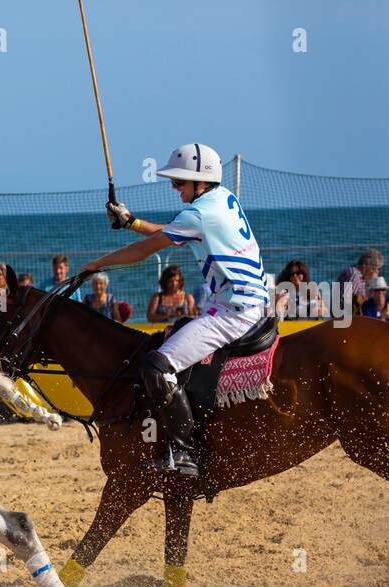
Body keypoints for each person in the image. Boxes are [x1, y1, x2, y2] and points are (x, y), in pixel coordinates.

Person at [87, 142, 269, 477]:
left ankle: (186, 454)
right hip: (248, 301)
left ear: (200, 182)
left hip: (233, 313)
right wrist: (130, 221)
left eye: (179, 183)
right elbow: (172, 231)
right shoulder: (223, 197)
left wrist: (96, 265)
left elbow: (144, 250)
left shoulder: (198, 213)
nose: (174, 189)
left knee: (157, 367)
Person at [334, 248, 383, 317]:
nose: (377, 272)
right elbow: (345, 301)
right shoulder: (354, 275)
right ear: (367, 266)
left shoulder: (361, 278)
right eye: (376, 269)